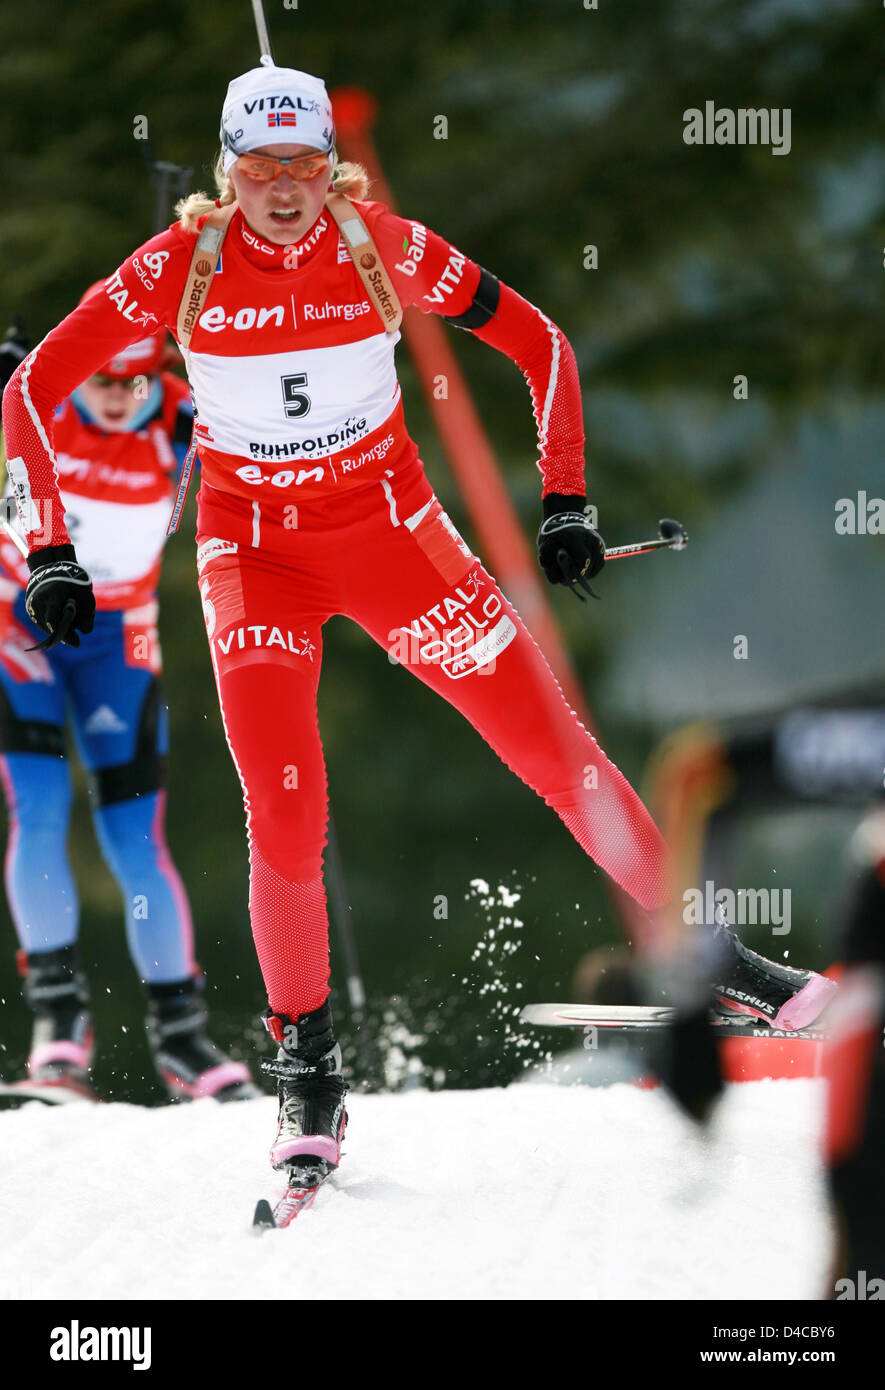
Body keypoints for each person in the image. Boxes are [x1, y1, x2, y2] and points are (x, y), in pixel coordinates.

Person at [1, 62, 833, 1171]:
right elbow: (27, 393)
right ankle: (308, 1079)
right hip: (255, 559)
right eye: (261, 169)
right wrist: (51, 553)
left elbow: (540, 342)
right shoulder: (174, 268)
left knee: (559, 755)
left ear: (328, 170)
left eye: (304, 164)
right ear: (229, 173)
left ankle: (733, 968)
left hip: (398, 543)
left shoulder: (382, 245)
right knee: (286, 817)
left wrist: (568, 498)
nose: (285, 189)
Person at [0, 308, 255, 1102]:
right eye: (102, 381)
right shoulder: (36, 400)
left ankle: (182, 1038)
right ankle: (59, 1027)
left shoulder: (185, 415)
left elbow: (267, 456)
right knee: (37, 809)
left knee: (136, 838)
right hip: (19, 618)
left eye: (133, 382)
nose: (116, 398)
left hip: (122, 635)